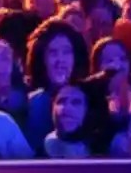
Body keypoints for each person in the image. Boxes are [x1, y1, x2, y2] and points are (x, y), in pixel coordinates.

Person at [23, 20, 89, 153]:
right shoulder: (32, 104)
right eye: (53, 53)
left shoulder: (91, 98)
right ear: (42, 58)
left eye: (67, 52)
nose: (60, 60)